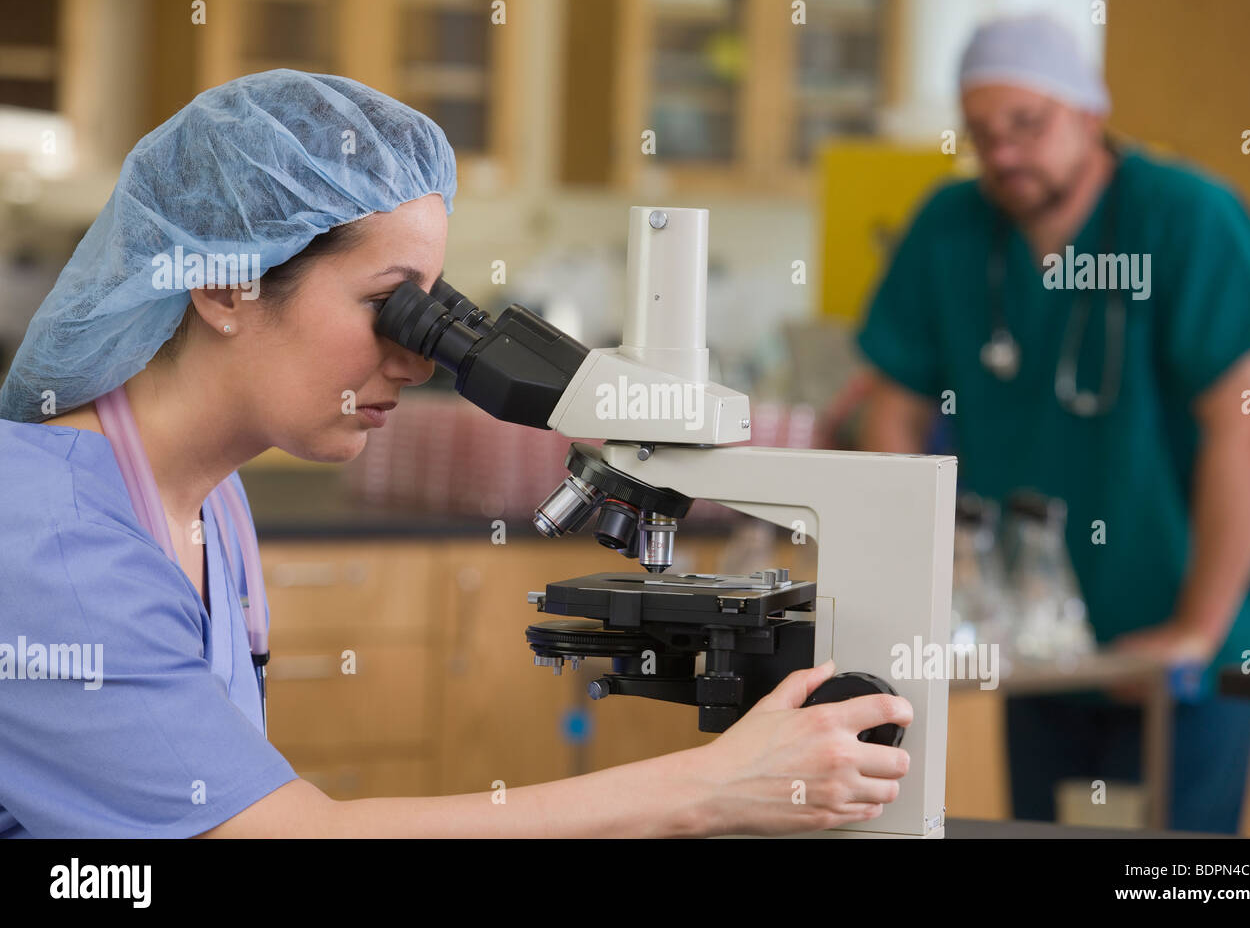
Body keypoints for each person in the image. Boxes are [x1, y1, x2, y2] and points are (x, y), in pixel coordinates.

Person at [0, 69, 910, 838]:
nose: (416, 356)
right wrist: (709, 788)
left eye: (432, 311)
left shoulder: (206, 499)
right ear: (224, 287)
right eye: (388, 305)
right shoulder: (53, 540)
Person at [853, 15, 1250, 833]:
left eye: (1028, 124)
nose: (1005, 153)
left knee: (1168, 881)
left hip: (1191, 631)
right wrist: (937, 575)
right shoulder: (950, 229)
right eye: (984, 132)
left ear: (1091, 113)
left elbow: (1245, 429)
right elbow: (896, 408)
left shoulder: (1187, 220)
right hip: (1039, 636)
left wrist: (1196, 630)